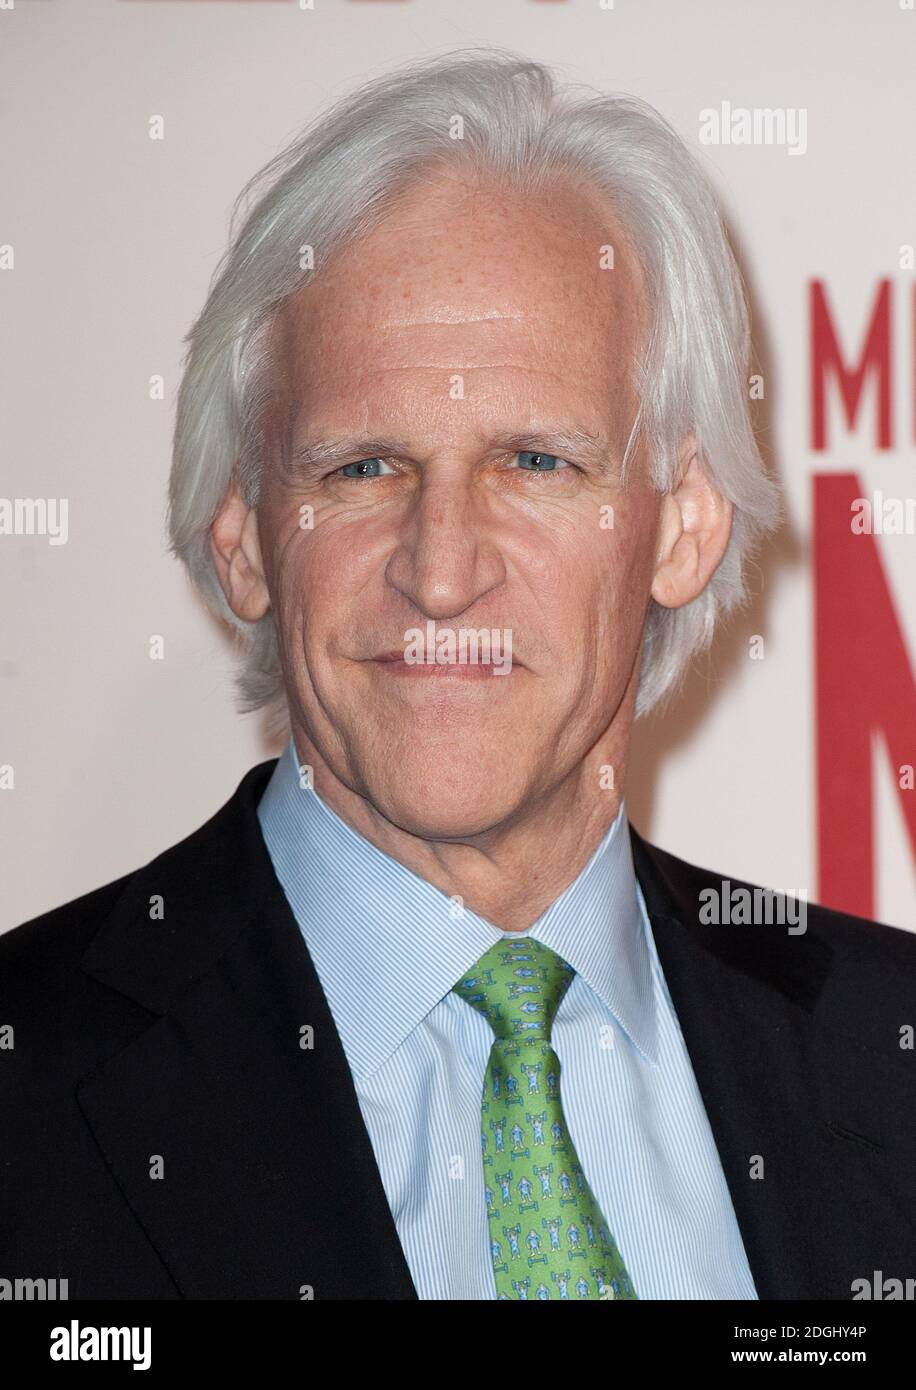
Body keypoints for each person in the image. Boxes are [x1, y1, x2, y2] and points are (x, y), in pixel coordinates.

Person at [3, 49, 914, 1301]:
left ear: (683, 526)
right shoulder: (27, 1086)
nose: (440, 572)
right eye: (359, 468)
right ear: (242, 537)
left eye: (536, 462)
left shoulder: (891, 1052)